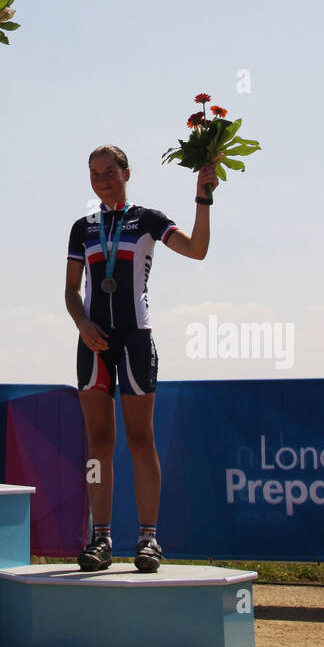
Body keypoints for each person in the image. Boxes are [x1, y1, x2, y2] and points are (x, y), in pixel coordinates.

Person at [64, 145, 218, 572]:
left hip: (135, 340)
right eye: (94, 173)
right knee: (97, 446)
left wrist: (202, 198)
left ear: (127, 172)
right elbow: (70, 292)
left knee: (140, 440)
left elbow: (197, 249)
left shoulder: (147, 219)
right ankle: (100, 538)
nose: (102, 179)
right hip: (93, 344)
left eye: (109, 171)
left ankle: (149, 539)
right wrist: (82, 325)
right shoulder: (82, 227)